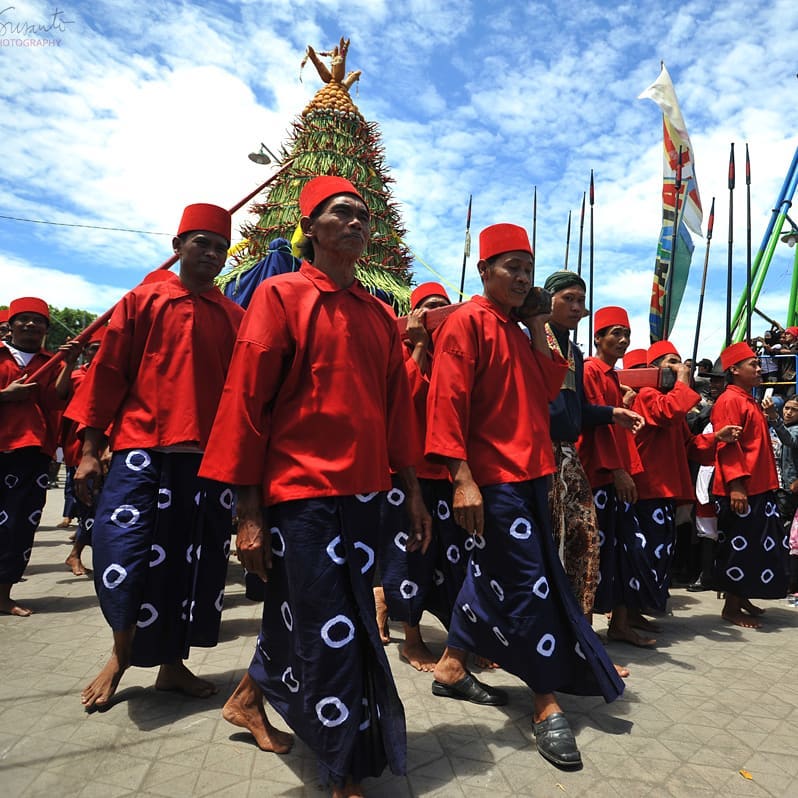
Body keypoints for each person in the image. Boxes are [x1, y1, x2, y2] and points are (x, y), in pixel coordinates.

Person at [198, 176, 431, 798]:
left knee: (314, 609)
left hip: (365, 495)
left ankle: (247, 698)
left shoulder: (381, 316)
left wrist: (408, 490)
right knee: (336, 625)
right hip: (299, 495)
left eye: (363, 214)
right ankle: (342, 767)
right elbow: (247, 405)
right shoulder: (280, 296)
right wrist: (248, 514)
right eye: (340, 213)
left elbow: (397, 413)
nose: (356, 222)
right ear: (312, 226)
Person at [426, 225, 624, 771]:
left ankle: (450, 665)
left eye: (528, 270)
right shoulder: (467, 323)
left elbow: (545, 389)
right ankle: (545, 699)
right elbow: (445, 403)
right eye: (510, 266)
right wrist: (462, 479)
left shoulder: (518, 330)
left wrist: (538, 323)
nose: (520, 278)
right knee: (532, 582)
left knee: (494, 575)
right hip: (493, 479)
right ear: (484, 271)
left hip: (534, 473)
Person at [67, 203, 245, 709]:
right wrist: (88, 449)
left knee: (194, 565)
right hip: (141, 449)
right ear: (177, 247)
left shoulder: (234, 317)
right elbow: (106, 376)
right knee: (123, 553)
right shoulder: (141, 301)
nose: (211, 253)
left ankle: (172, 666)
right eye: (201, 243)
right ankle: (120, 656)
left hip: (205, 460)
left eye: (219, 246)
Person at [375, 281, 471, 672]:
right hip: (406, 474)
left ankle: (459, 636)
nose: (435, 315)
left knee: (450, 558)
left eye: (442, 308)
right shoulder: (400, 353)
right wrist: (417, 346)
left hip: (446, 474)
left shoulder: (455, 356)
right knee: (410, 557)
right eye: (428, 308)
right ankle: (411, 641)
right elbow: (400, 398)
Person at [543, 270, 643, 623]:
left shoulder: (573, 350)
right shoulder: (532, 338)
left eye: (580, 301)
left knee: (582, 545)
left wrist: (611, 413)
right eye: (567, 298)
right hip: (537, 455)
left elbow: (578, 411)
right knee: (547, 546)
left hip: (567, 456)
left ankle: (579, 634)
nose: (575, 306)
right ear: (547, 298)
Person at [630, 341, 738, 615]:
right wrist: (682, 381)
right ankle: (630, 614)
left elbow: (689, 446)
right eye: (671, 362)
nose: (680, 367)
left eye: (680, 361)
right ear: (654, 369)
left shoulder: (673, 403)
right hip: (646, 488)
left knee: (661, 552)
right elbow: (666, 413)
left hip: (667, 491)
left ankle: (641, 611)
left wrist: (716, 437)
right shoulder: (647, 396)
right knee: (643, 552)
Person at [578, 307, 655, 646]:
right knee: (592, 554)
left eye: (626, 333)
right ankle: (585, 636)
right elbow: (599, 426)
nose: (623, 340)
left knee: (622, 552)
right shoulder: (591, 371)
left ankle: (620, 624)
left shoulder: (610, 376)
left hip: (613, 479)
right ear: (598, 338)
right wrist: (618, 470)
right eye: (615, 333)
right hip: (600, 478)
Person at [0, 297, 78, 615]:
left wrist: (69, 362)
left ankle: (3, 595)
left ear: (46, 328)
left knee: (19, 525)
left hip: (33, 452)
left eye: (39, 321)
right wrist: (5, 396)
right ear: (11, 324)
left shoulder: (52, 362)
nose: (32, 325)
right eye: (25, 319)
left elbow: (58, 398)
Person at [710, 341, 789, 627]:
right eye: (753, 364)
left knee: (757, 546)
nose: (759, 368)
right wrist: (737, 485)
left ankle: (741, 598)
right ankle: (730, 607)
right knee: (739, 546)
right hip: (743, 487)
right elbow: (728, 446)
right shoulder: (730, 401)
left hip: (758, 485)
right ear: (734, 369)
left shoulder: (748, 399)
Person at [61, 328, 107, 575]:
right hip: (80, 451)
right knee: (89, 507)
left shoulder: (113, 374)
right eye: (93, 347)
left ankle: (77, 554)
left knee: (99, 508)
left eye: (103, 347)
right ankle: (76, 554)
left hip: (109, 452)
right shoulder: (79, 375)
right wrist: (68, 364)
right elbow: (59, 395)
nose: (98, 352)